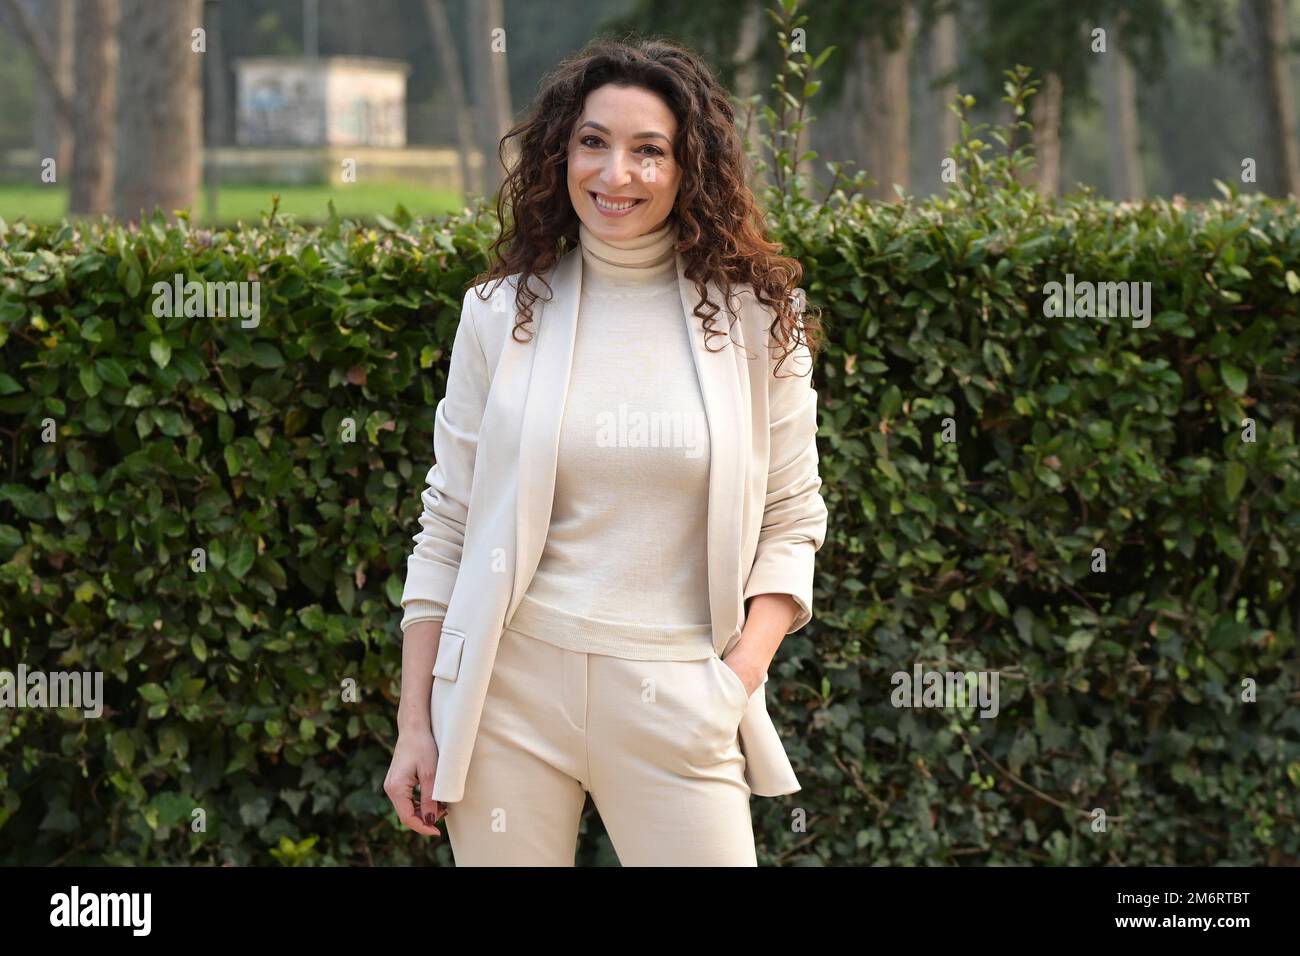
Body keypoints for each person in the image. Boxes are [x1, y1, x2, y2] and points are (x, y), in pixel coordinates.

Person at [383, 37, 828, 866]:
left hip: (678, 697)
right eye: (593, 142)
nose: (613, 173)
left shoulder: (761, 320)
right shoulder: (498, 313)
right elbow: (446, 523)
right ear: (561, 152)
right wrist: (417, 723)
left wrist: (733, 682)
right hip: (504, 698)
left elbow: (794, 517)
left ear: (689, 166)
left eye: (647, 150)